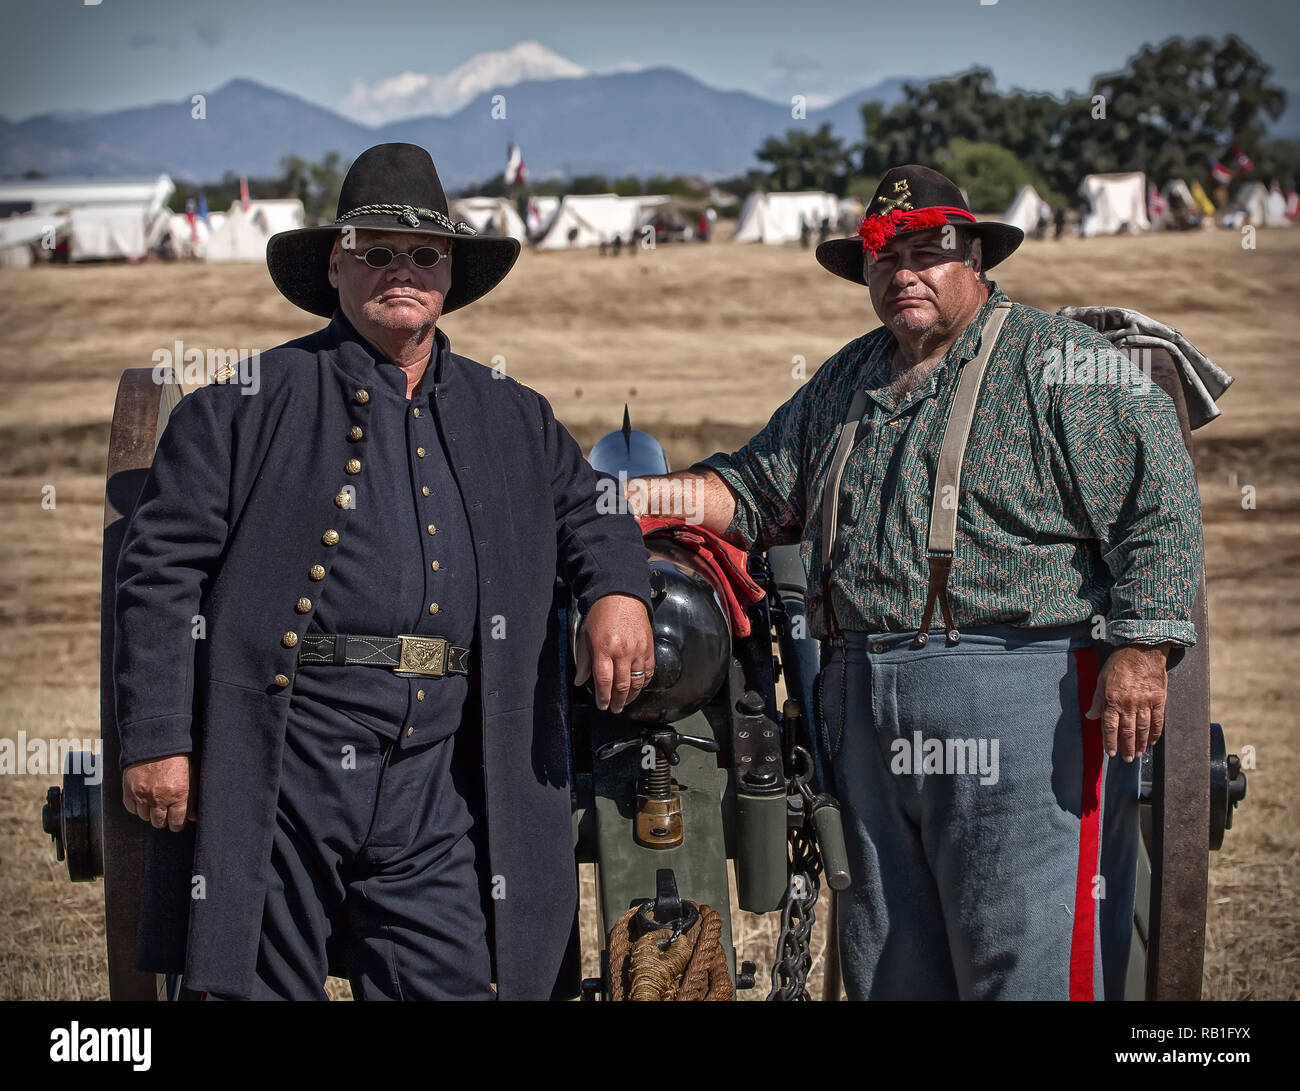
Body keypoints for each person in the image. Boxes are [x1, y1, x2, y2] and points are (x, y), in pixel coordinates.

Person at [626, 164, 1201, 1000]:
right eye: (883, 258)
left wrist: (1141, 649)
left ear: (974, 257)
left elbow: (1159, 500)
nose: (904, 274)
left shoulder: (1061, 363)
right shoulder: (846, 379)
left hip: (1021, 698)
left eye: (928, 252)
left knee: (1024, 960)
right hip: (863, 695)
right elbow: (754, 489)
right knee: (890, 963)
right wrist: (637, 496)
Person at [114, 143, 655, 1001]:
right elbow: (157, 571)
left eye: (423, 254)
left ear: (449, 273)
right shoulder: (242, 406)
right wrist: (157, 738)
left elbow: (594, 512)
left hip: (437, 776)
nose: (399, 270)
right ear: (336, 264)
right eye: (375, 251)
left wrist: (618, 591)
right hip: (283, 761)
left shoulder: (512, 414)